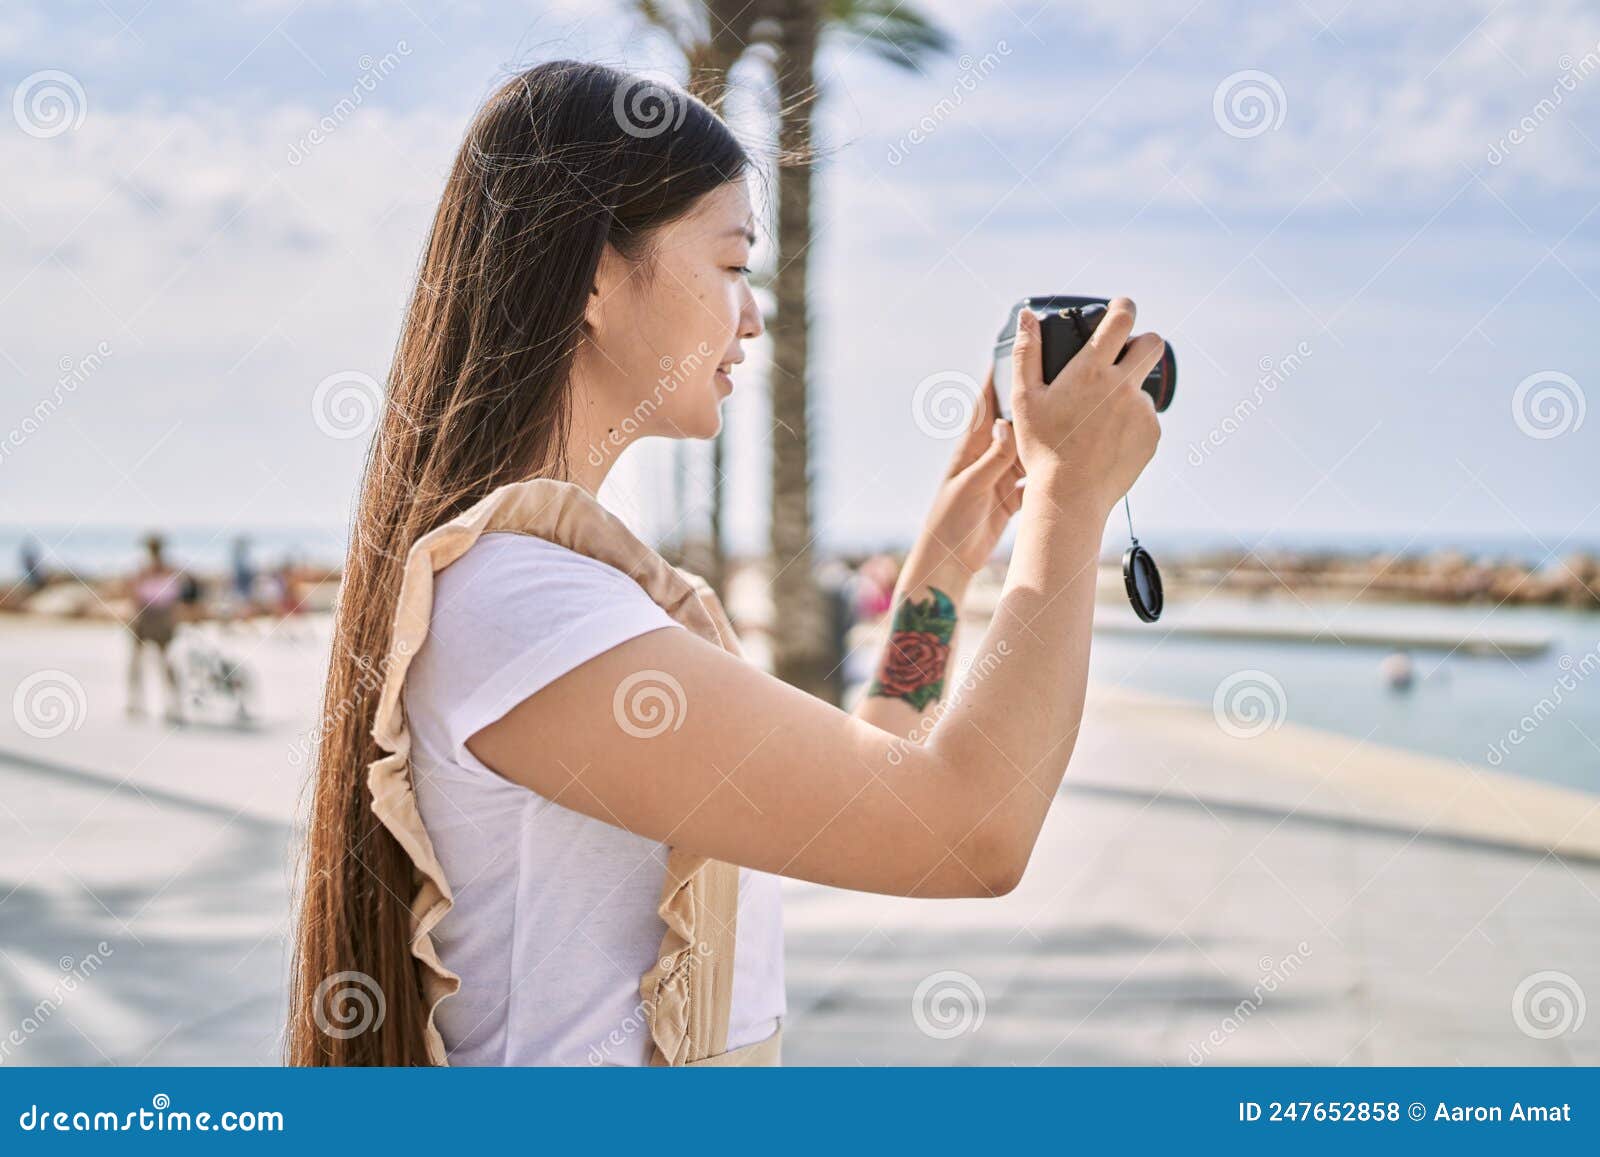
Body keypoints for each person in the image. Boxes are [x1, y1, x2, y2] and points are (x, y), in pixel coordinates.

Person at [288, 61, 1161, 1067]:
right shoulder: (524, 604)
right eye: (735, 264)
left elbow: (869, 783)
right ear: (592, 278)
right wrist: (1071, 499)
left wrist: (945, 563)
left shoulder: (549, 592)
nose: (753, 317)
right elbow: (969, 833)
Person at [126, 532, 185, 724]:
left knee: (144, 663)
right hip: (159, 618)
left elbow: (135, 597)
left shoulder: (147, 571)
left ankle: (139, 702)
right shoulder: (165, 570)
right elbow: (174, 599)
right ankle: (171, 704)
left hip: (149, 618)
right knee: (163, 663)